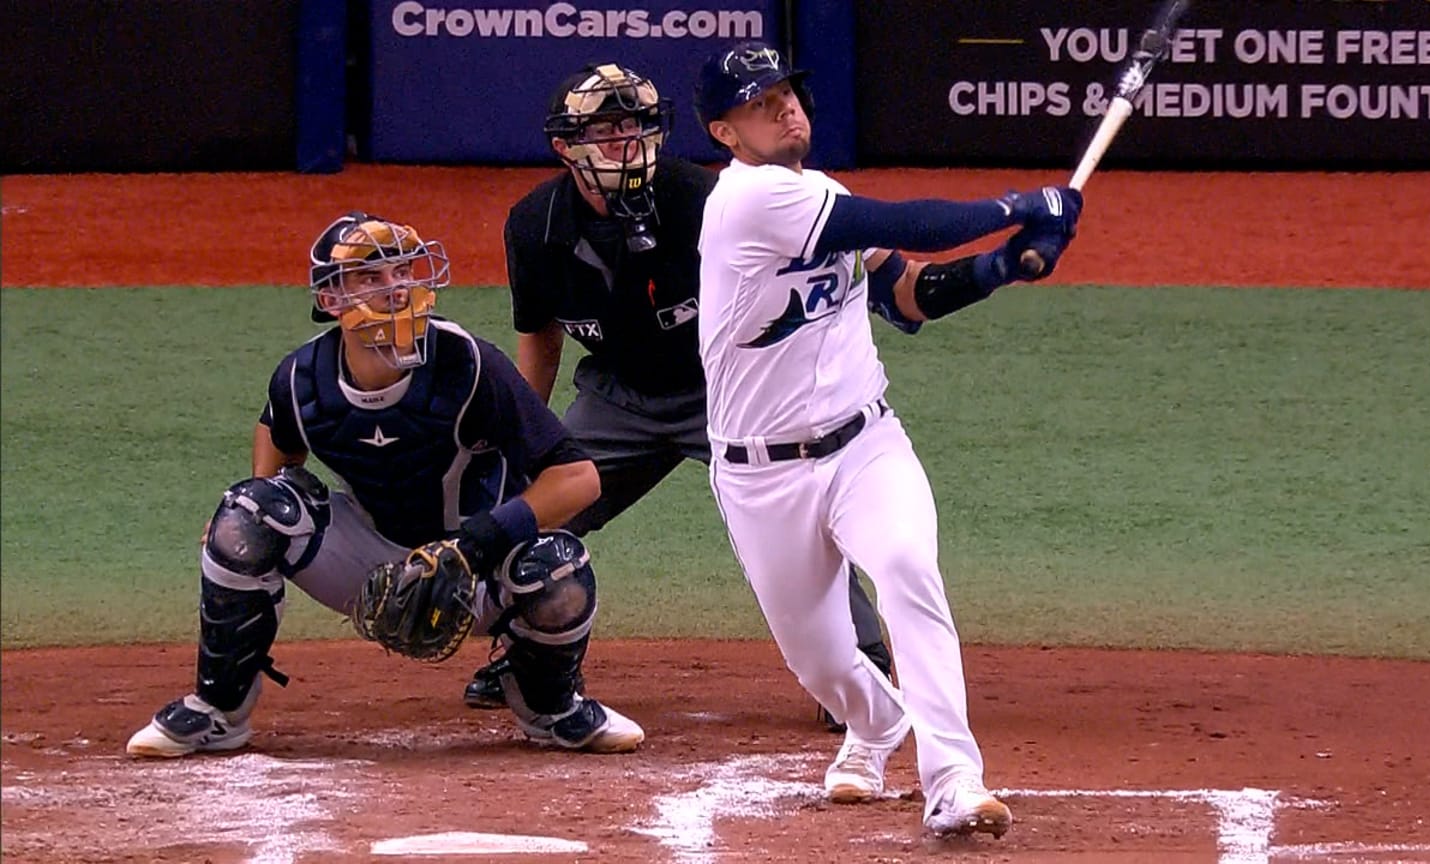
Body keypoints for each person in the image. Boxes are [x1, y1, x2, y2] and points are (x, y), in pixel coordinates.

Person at [692, 41, 1083, 837]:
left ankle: (954, 780)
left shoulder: (817, 191)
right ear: (723, 133)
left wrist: (1005, 268)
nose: (784, 107)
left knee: (906, 568)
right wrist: (1023, 205)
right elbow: (904, 221)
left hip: (864, 444)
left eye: (788, 93)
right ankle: (875, 725)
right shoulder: (749, 201)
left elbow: (908, 296)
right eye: (759, 103)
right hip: (760, 476)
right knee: (824, 664)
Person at [464, 61, 896, 732]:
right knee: (536, 507)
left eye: (635, 125)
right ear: (565, 148)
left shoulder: (700, 198)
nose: (625, 142)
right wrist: (533, 441)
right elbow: (540, 335)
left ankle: (859, 665)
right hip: (618, 398)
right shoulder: (534, 226)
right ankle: (533, 659)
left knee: (797, 517)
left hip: (727, 392)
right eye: (606, 130)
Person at [125, 212, 645, 758]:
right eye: (371, 277)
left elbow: (579, 478)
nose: (395, 287)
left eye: (402, 271)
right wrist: (247, 526)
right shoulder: (303, 378)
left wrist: (474, 545)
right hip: (369, 563)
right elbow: (277, 434)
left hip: (477, 565)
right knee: (247, 516)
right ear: (331, 299)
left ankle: (550, 706)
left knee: (560, 569)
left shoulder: (467, 364)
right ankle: (218, 710)